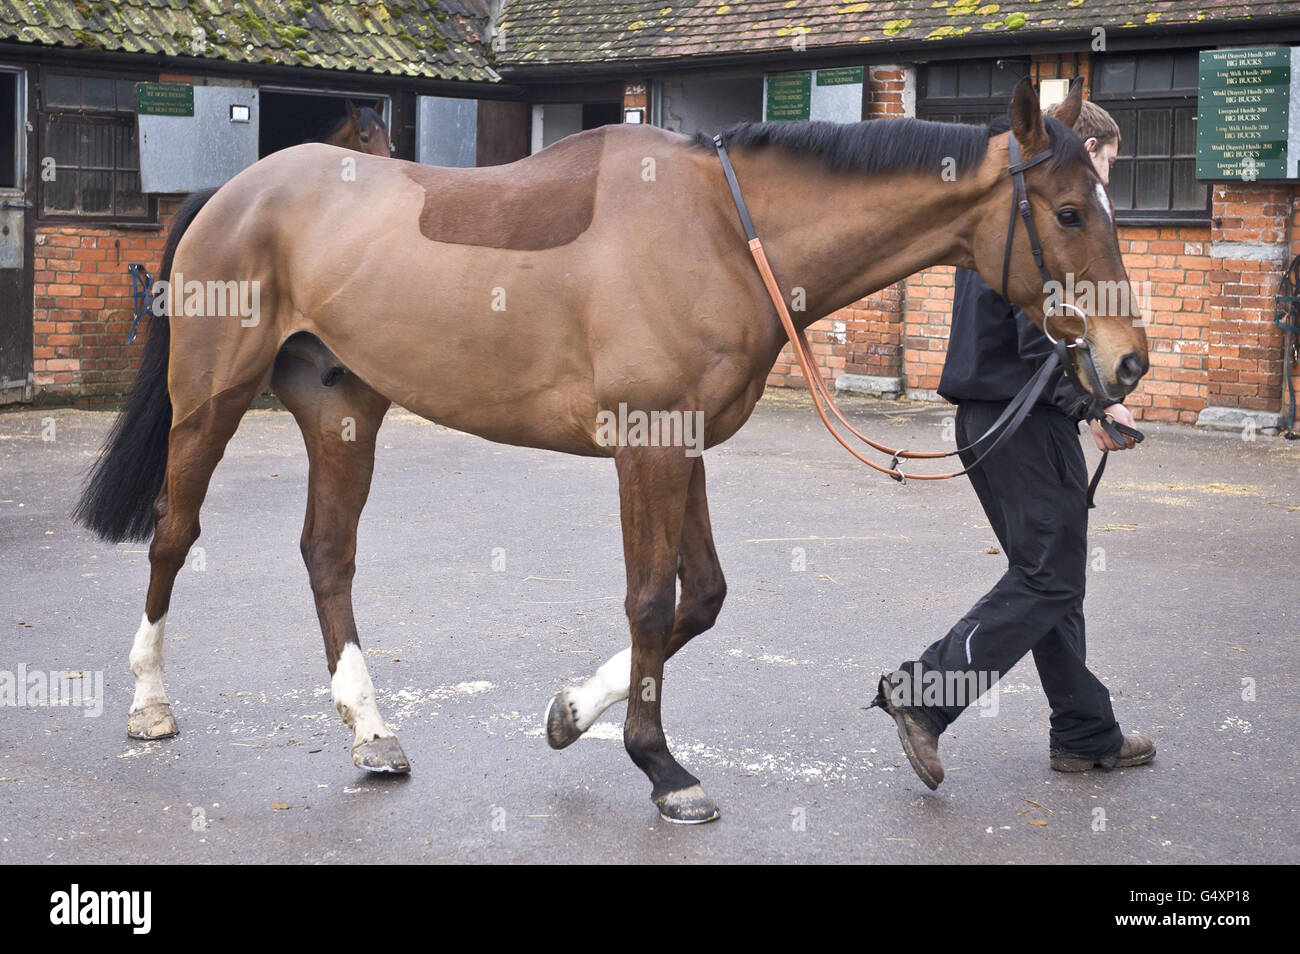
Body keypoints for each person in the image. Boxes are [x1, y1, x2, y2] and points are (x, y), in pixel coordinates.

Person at [871, 98, 1155, 789]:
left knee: (1053, 578)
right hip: (1023, 420)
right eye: (1103, 168)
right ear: (1079, 153)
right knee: (1048, 577)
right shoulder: (1047, 232)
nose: (1103, 188)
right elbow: (1047, 334)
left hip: (990, 418)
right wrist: (1096, 405)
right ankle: (924, 695)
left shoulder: (1013, 217)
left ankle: (1085, 731)